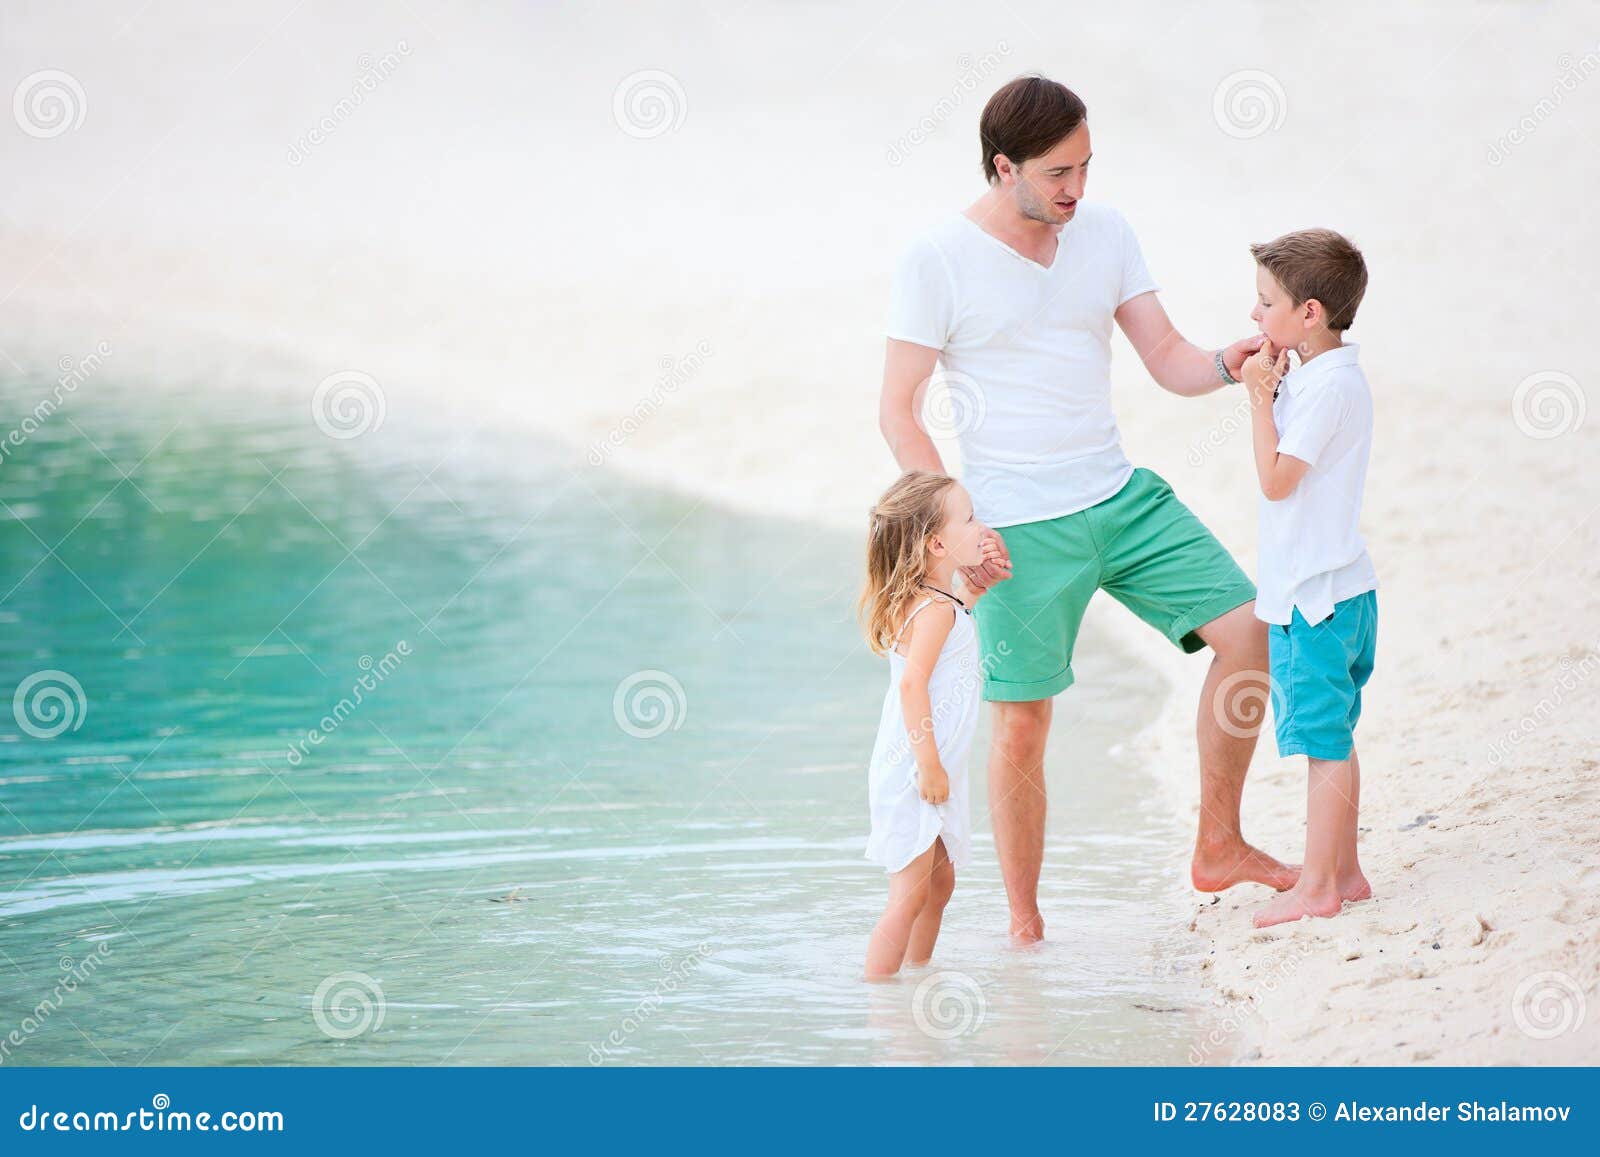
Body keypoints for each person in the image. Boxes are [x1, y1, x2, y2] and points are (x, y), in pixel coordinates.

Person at [881, 75, 1295, 943]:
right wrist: (956, 533)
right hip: (1013, 528)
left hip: (1120, 498)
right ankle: (1025, 933)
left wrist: (1230, 362)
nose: (1076, 188)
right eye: (1058, 173)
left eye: (1085, 167)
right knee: (1023, 726)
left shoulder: (1105, 233)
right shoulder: (936, 258)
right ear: (1005, 167)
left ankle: (1218, 843)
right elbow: (898, 410)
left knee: (1251, 637)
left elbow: (1169, 356)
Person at [1239, 228, 1377, 928]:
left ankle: (1318, 885)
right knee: (1336, 736)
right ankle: (1344, 872)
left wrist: (1258, 401)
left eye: (1267, 303)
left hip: (1314, 599)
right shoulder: (1330, 377)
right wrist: (1276, 382)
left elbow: (1276, 480)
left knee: (1322, 743)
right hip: (1344, 589)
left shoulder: (1326, 390)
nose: (1255, 313)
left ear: (1310, 314)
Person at [858, 470, 1010, 977]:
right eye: (969, 519)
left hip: (930, 764)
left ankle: (916, 972)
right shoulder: (935, 611)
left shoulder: (937, 602)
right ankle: (879, 994)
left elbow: (950, 633)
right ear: (938, 544)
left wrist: (976, 591)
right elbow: (912, 685)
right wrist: (928, 767)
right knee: (908, 895)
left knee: (939, 884)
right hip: (917, 768)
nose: (981, 527)